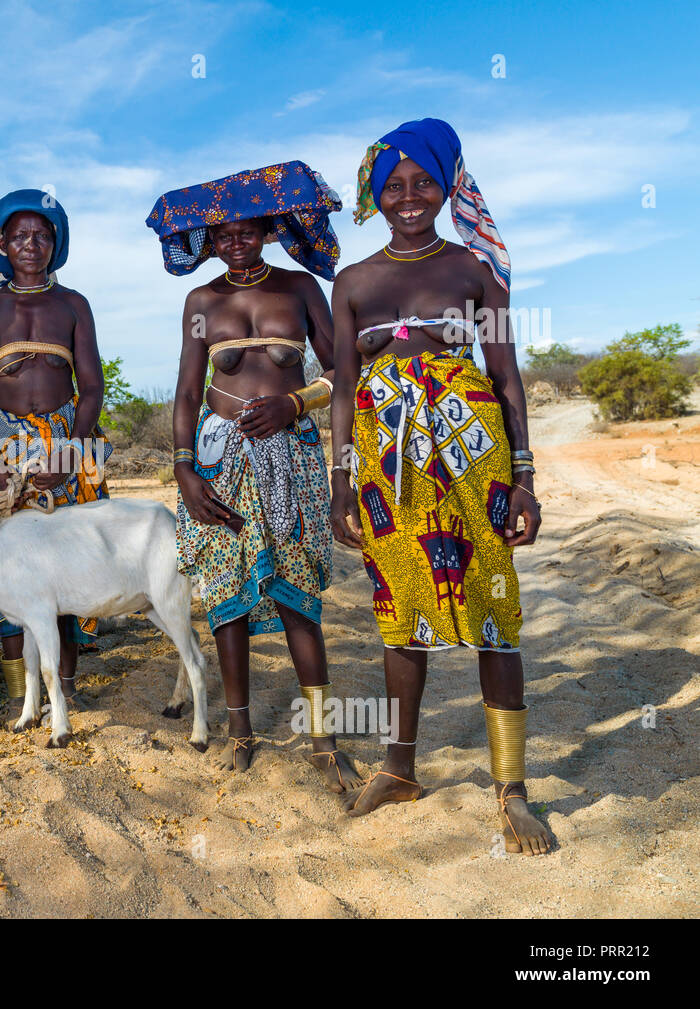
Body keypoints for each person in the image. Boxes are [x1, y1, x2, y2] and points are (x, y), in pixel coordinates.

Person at [328, 117, 550, 854]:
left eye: (423, 182)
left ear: (446, 185)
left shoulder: (471, 267)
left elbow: (508, 377)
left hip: (473, 459)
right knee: (401, 609)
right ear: (376, 196)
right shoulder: (353, 282)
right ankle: (398, 767)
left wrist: (522, 477)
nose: (409, 196)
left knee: (494, 605)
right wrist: (340, 482)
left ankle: (512, 787)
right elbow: (340, 389)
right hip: (389, 468)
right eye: (393, 186)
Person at [147, 161, 361, 785]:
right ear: (207, 242)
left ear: (268, 230)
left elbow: (342, 372)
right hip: (216, 459)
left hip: (290, 455)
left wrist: (295, 402)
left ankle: (321, 738)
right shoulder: (200, 302)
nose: (235, 242)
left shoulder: (298, 290)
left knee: (299, 595)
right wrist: (185, 471)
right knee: (227, 599)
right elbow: (188, 392)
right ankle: (240, 728)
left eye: (246, 230)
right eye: (222, 234)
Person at [0, 190, 111, 727]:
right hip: (6, 452)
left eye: (42, 235)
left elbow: (91, 388)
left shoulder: (72, 305)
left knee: (67, 566)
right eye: (20, 235)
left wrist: (72, 451)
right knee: (11, 572)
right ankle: (22, 691)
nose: (31, 245)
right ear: (1, 243)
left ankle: (64, 688)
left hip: (69, 446)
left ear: (56, 243)